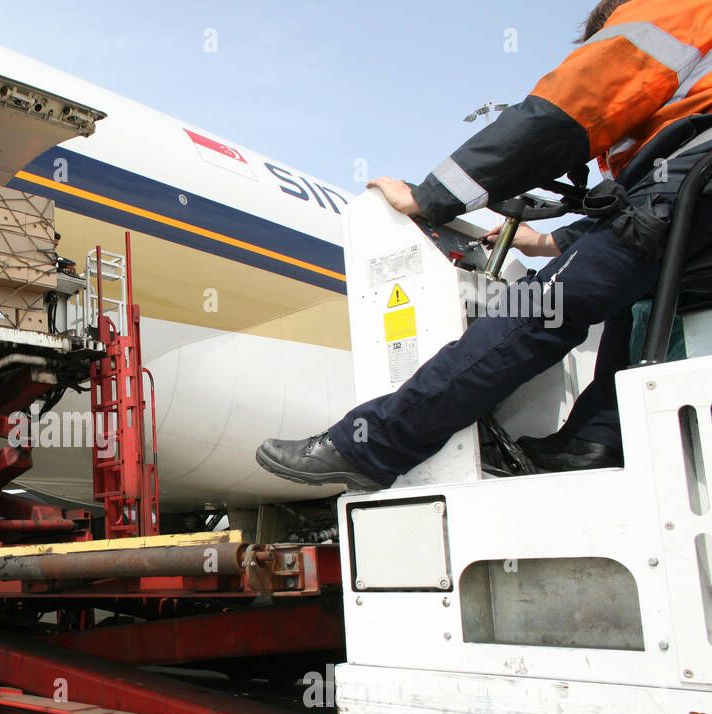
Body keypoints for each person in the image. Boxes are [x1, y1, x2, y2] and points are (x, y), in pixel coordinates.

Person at [257, 0, 712, 492]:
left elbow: (569, 109)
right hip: (688, 198)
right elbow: (641, 216)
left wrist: (432, 198)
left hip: (695, 180)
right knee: (639, 293)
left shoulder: (669, 8)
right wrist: (551, 241)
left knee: (540, 308)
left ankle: (371, 445)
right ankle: (597, 439)